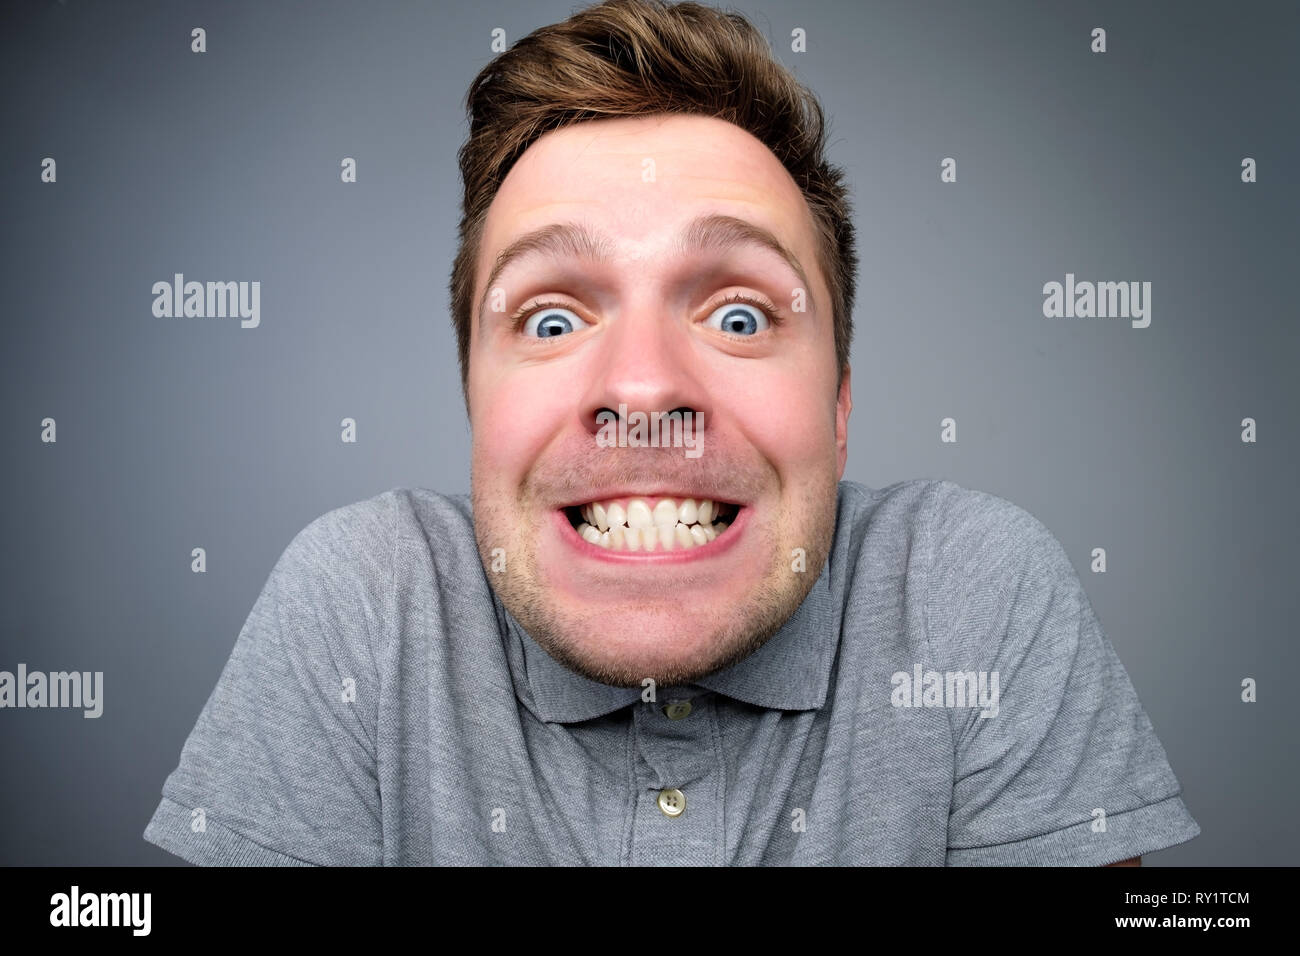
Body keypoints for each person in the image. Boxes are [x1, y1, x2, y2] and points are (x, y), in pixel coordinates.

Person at [144, 0, 1198, 865]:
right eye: (551, 318)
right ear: (474, 398)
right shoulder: (367, 603)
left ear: (838, 405)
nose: (643, 388)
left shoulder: (969, 587)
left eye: (739, 315)